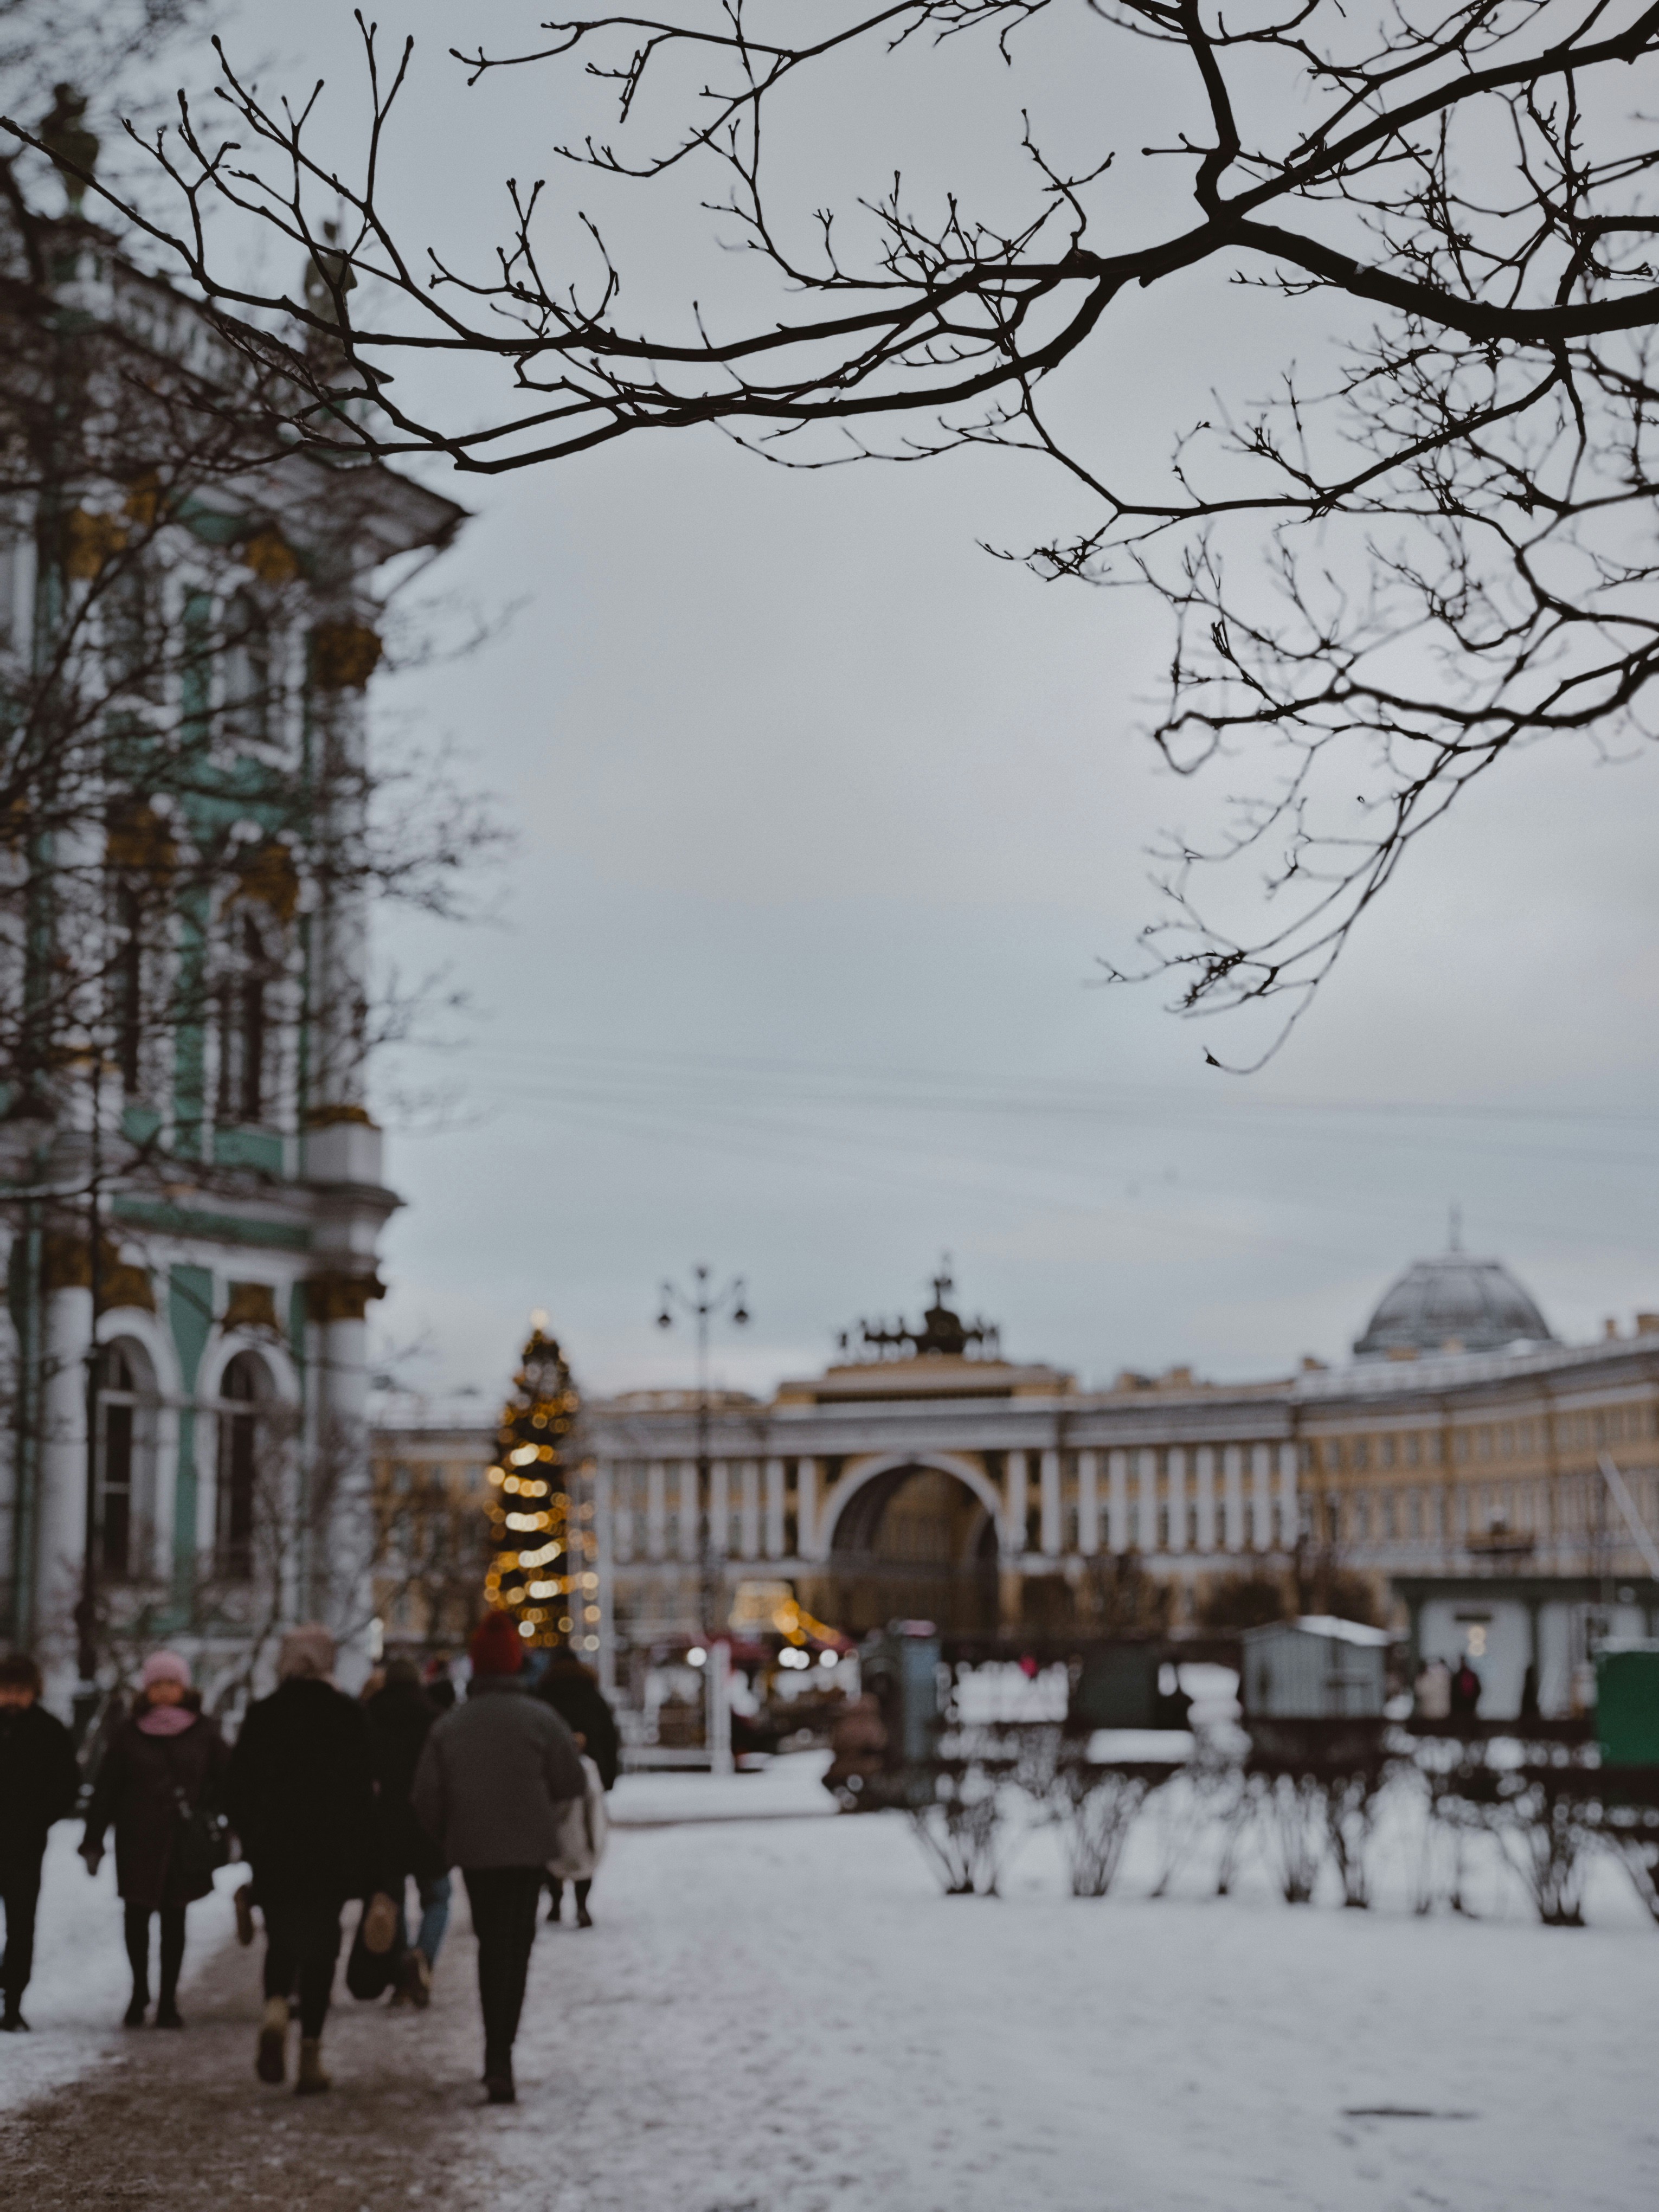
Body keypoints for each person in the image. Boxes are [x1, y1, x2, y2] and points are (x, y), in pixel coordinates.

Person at [412, 1612, 584, 2105]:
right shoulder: (541, 1719)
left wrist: (453, 1833)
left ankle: (494, 2057)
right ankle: (503, 2053)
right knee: (517, 1946)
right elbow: (571, 1782)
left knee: (491, 1945)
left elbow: (425, 1796)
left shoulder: (452, 1725)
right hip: (528, 1851)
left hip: (475, 1852)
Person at [226, 1625, 376, 2095]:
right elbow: (365, 1788)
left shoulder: (264, 1715)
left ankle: (275, 2006)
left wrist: (251, 1837)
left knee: (283, 1937)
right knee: (323, 1946)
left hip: (275, 1849)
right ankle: (310, 2052)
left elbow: (237, 1785)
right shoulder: (347, 1714)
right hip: (330, 1850)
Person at [81, 1651, 229, 2029]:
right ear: (147, 1690)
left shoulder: (204, 1731)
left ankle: (168, 2000)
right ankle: (139, 1992)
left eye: (172, 1684)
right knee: (136, 1917)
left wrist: (225, 1823)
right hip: (137, 1840)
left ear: (185, 1687)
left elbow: (227, 1781)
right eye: (157, 1685)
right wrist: (93, 1840)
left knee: (174, 1921)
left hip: (183, 1842)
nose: (164, 1692)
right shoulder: (128, 1732)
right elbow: (107, 1790)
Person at [0, 1652, 78, 2032]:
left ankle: (12, 2002)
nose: (12, 1698)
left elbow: (67, 1785)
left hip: (24, 1846)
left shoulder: (49, 1732)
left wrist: (37, 1819)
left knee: (20, 1925)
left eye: (20, 1690)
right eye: (6, 1690)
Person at [364, 1656, 448, 2005]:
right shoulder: (435, 1719)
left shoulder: (368, 1717)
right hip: (427, 1822)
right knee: (438, 1897)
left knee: (391, 1900)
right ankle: (423, 1957)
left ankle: (401, 1978)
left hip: (385, 1822)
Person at [532, 1645, 619, 1927]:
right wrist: (609, 1777)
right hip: (589, 1779)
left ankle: (556, 1902)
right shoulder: (593, 1696)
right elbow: (609, 1738)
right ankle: (582, 1904)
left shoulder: (543, 1697)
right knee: (587, 1835)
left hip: (549, 1779)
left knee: (553, 1838)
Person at [1450, 1655, 1482, 1722]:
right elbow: (1478, 1690)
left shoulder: (1457, 1676)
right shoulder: (1472, 1675)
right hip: (1470, 1706)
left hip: (1461, 1707)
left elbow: (1453, 1692)